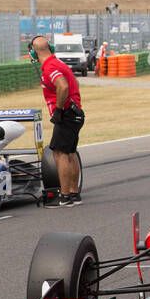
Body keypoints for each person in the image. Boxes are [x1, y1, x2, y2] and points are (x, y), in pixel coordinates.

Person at [31, 35, 84, 206]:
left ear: (33, 52)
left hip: (67, 113)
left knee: (59, 154)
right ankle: (74, 194)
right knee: (69, 153)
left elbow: (63, 85)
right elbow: (72, 81)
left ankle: (65, 195)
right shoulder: (58, 63)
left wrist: (59, 110)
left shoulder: (50, 67)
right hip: (74, 112)